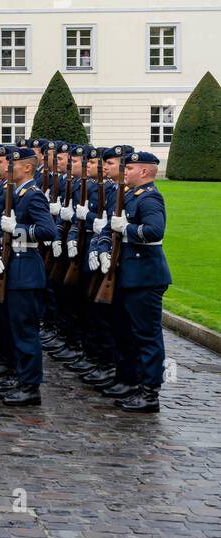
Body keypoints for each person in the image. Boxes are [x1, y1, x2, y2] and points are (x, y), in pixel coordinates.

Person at [99, 150, 171, 413]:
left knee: (147, 336)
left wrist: (125, 229)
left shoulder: (150, 198)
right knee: (125, 331)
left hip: (145, 278)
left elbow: (154, 231)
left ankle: (150, 392)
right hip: (129, 275)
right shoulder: (129, 195)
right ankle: (130, 380)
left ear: (143, 172)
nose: (124, 171)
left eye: (129, 168)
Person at [0, 146, 58, 407]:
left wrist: (17, 228)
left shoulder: (33, 196)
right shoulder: (15, 193)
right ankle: (21, 377)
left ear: (27, 167)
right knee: (15, 327)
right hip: (13, 265)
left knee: (26, 330)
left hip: (26, 268)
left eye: (12, 165)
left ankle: (31, 387)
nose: (7, 169)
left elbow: (48, 231)